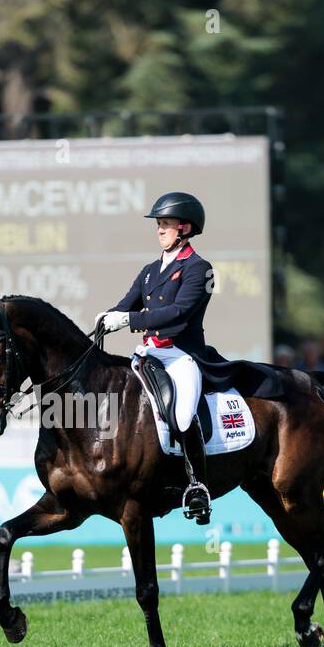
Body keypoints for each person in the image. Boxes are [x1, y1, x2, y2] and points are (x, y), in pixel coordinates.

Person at [98, 190, 215, 523]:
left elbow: (179, 313)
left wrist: (131, 320)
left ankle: (198, 487)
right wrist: (108, 318)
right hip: (149, 353)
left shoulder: (199, 269)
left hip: (182, 356)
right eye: (158, 225)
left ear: (185, 228)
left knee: (180, 415)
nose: (160, 230)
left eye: (166, 224)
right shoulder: (150, 270)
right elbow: (126, 304)